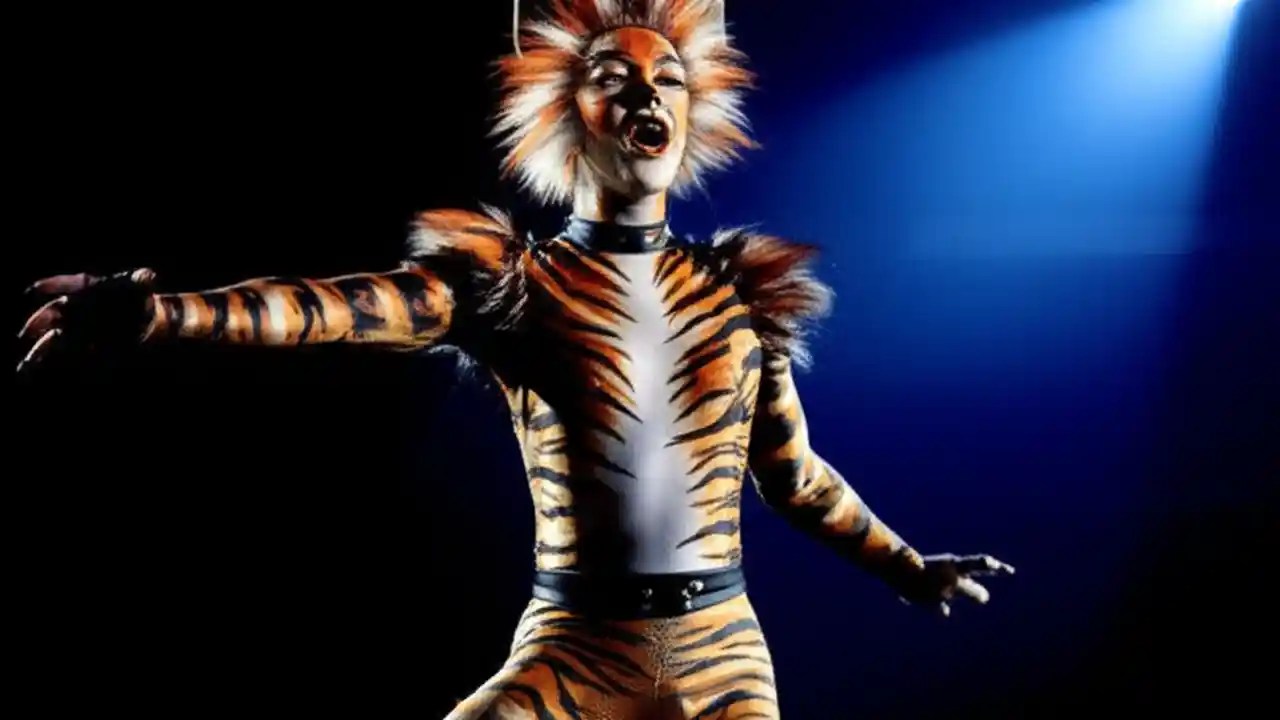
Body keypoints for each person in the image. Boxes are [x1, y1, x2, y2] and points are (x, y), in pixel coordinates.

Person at [17, 1, 1014, 717]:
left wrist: (903, 566)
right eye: (611, 79)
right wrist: (159, 317)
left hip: (723, 660)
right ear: (562, 116)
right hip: (571, 648)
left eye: (664, 77)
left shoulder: (737, 300)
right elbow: (334, 310)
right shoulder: (512, 288)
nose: (642, 94)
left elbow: (793, 478)